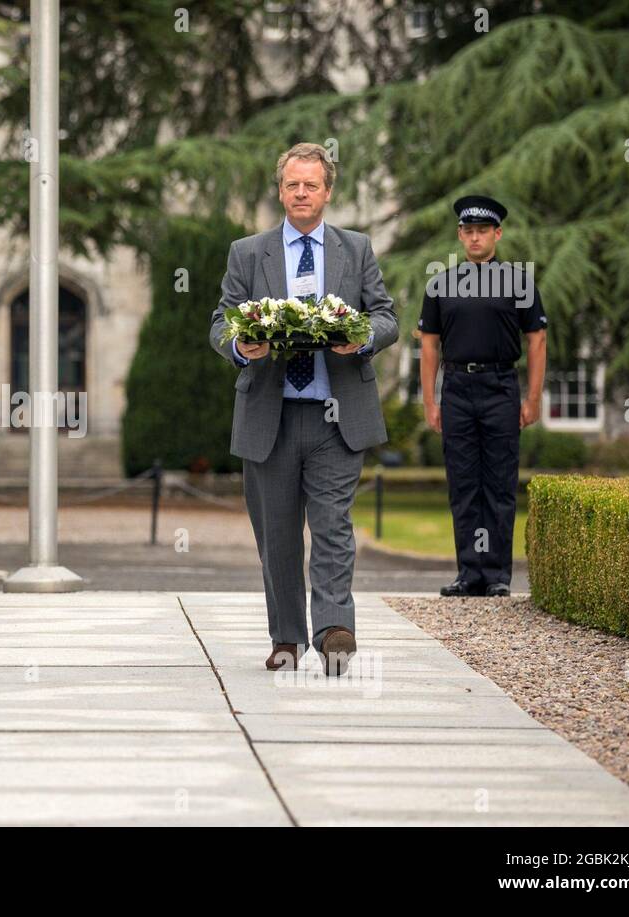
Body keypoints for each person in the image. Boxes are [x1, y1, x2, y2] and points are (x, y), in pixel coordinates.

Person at [209, 142, 398, 676]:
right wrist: (239, 345)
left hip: (337, 417)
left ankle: (334, 629)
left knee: (334, 526)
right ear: (280, 191)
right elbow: (221, 322)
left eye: (310, 185)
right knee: (278, 535)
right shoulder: (248, 253)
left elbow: (385, 316)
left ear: (327, 192)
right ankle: (287, 638)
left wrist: (362, 338)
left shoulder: (355, 249)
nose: (300, 193)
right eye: (292, 184)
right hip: (269, 416)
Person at [420, 195, 547, 598]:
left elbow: (537, 340)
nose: (475, 237)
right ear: (460, 235)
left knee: (499, 483)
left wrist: (533, 398)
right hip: (457, 389)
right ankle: (468, 573)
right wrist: (430, 401)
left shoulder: (519, 282)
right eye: (468, 231)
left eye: (482, 231)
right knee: (463, 483)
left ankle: (495, 575)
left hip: (500, 388)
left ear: (497, 234)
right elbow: (429, 345)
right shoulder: (440, 284)